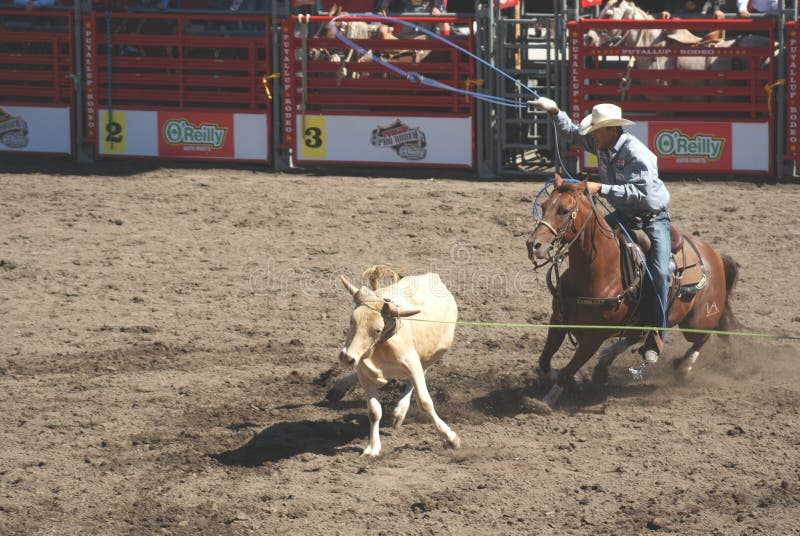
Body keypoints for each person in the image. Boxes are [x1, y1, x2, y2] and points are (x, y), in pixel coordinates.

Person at [529, 98, 671, 364]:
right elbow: (572, 133)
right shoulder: (601, 143)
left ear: (611, 129)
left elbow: (640, 193)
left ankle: (655, 334)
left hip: (652, 218)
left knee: (661, 272)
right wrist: (555, 111)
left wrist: (601, 188)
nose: (592, 134)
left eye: (596, 129)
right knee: (586, 240)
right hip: (623, 214)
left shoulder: (636, 154)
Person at [377, 0, 450, 37]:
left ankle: (445, 49)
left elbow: (440, 10)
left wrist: (437, 6)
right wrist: (384, 6)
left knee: (443, 19)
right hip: (405, 7)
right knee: (406, 36)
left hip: (429, 7)